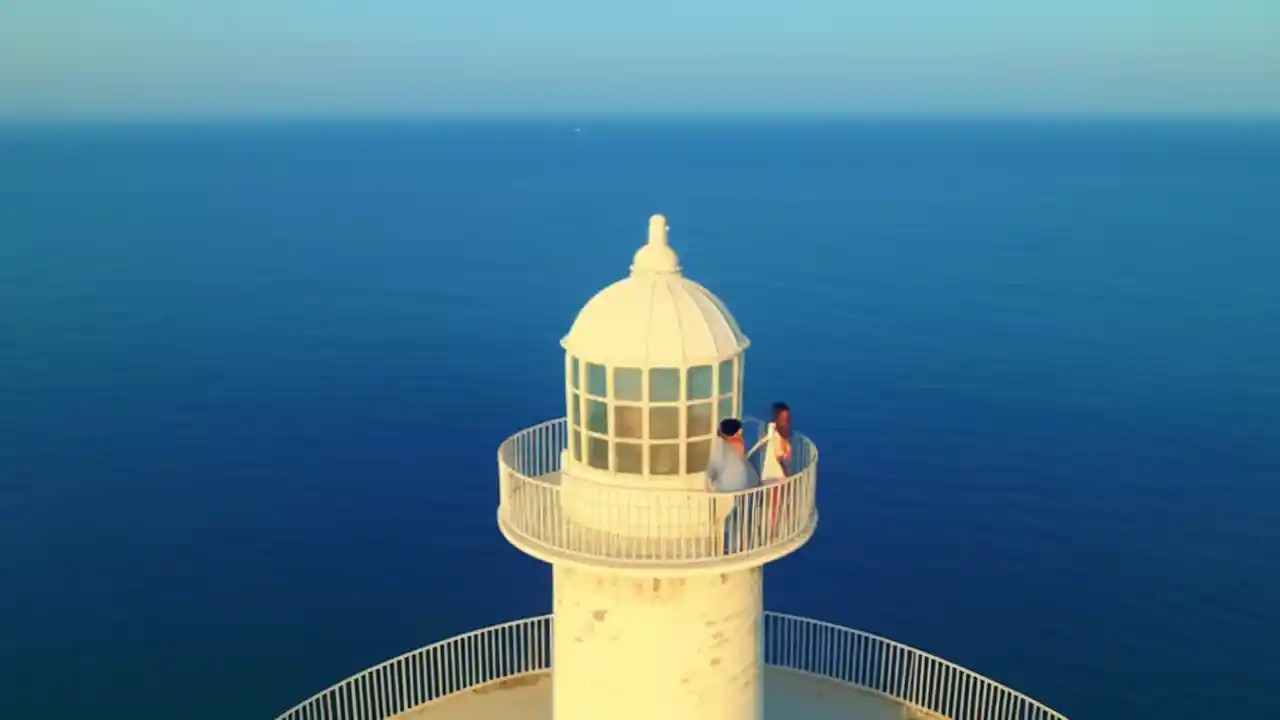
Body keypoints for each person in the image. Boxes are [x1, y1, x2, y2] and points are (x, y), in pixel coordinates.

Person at [706, 418, 762, 553]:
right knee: (735, 517)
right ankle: (731, 546)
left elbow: (714, 467)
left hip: (732, 487)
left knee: (734, 517)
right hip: (733, 487)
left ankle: (731, 544)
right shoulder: (729, 446)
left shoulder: (723, 446)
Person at [761, 402, 793, 538]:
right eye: (783, 418)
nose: (785, 422)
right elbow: (780, 456)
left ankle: (768, 528)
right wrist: (786, 469)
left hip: (774, 473)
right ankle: (770, 532)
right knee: (773, 505)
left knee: (773, 503)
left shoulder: (776, 433)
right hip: (774, 474)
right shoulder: (775, 435)